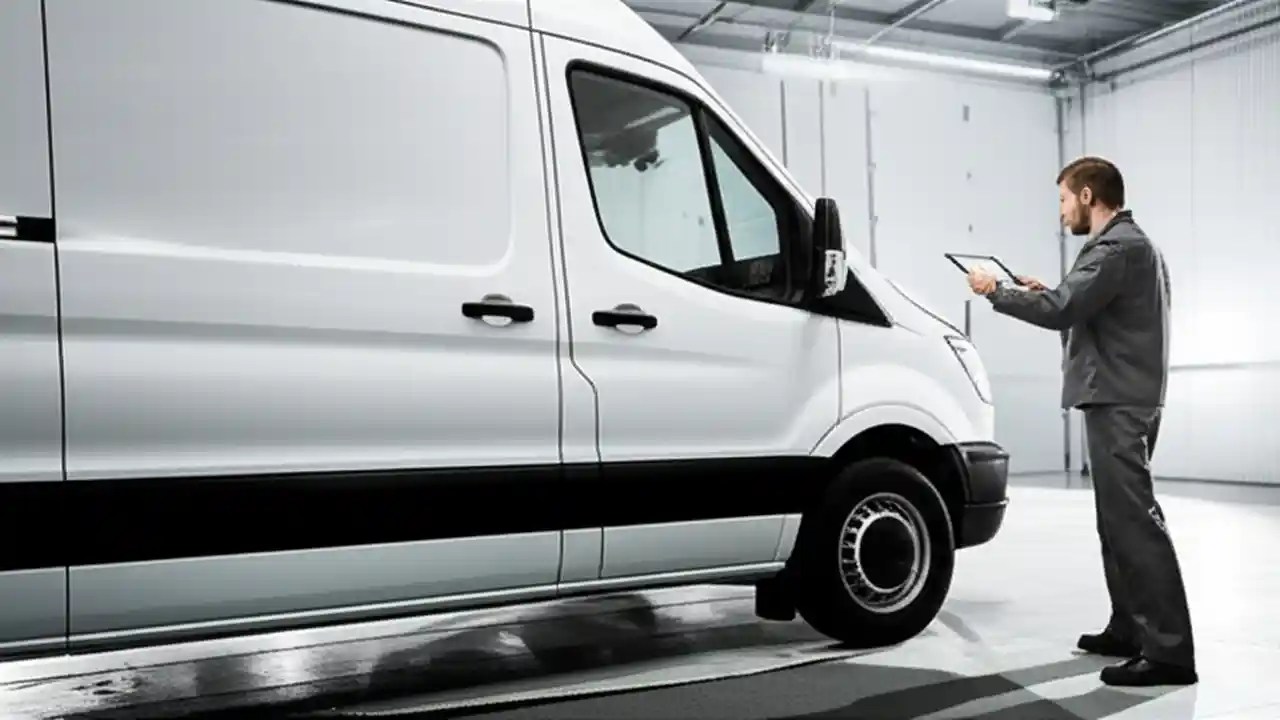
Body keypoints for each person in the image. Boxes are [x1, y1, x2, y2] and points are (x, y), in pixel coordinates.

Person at [966, 156, 1197, 687]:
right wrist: (1045, 288)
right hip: (1123, 395)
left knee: (1135, 524)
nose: (1063, 211)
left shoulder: (1116, 248)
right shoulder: (1135, 247)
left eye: (1065, 200)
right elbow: (1084, 304)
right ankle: (1129, 629)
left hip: (1119, 400)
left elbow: (1060, 310)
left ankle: (1168, 653)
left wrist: (995, 290)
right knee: (1116, 523)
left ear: (1089, 196)